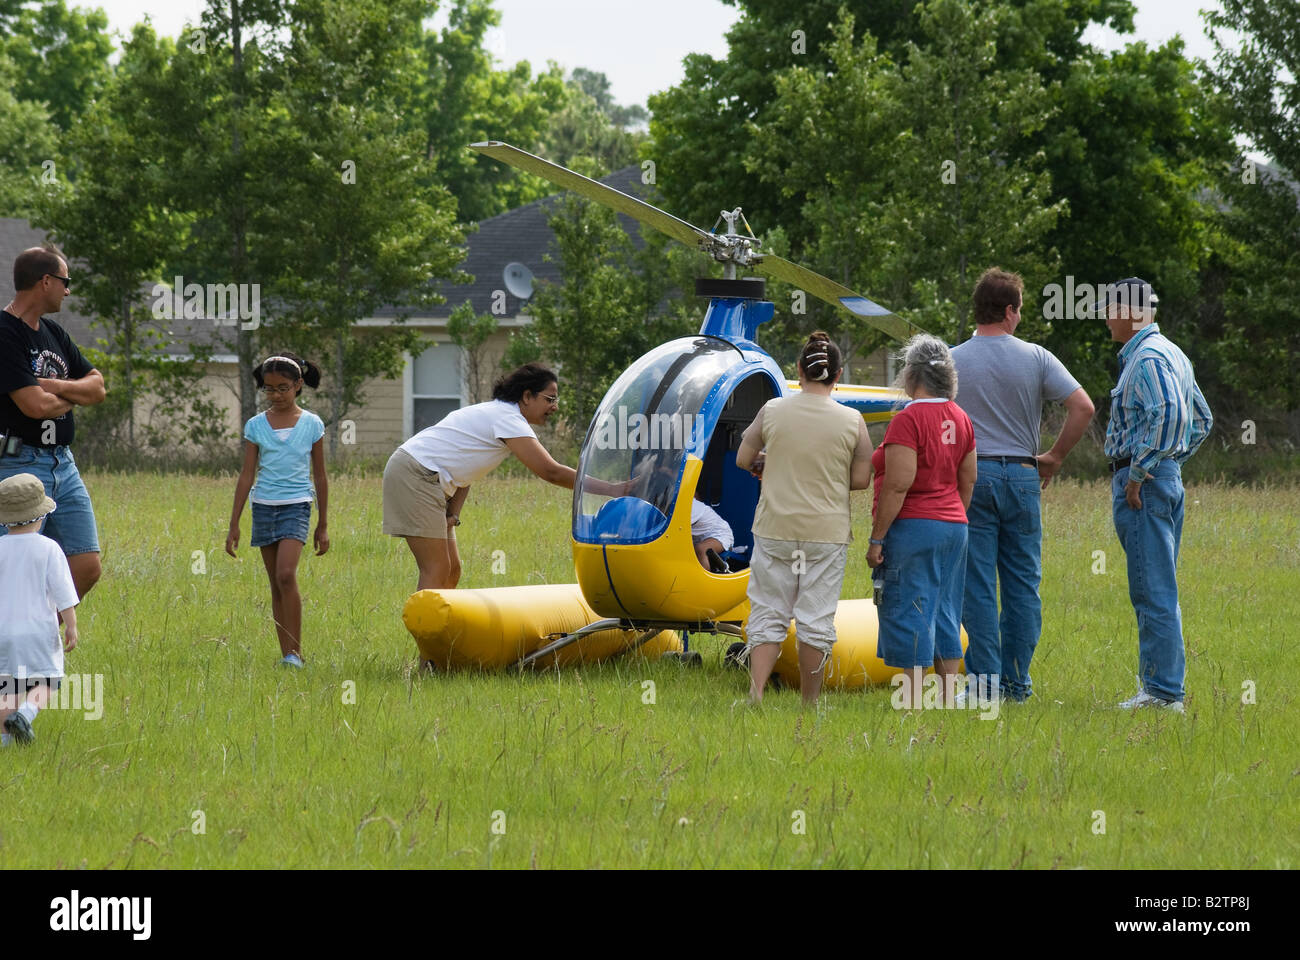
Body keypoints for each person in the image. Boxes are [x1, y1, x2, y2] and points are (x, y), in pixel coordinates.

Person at [950, 268, 1095, 704]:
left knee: (976, 583)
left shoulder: (951, 361)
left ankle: (982, 687)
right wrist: (1054, 457)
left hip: (973, 476)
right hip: (1023, 475)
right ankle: (1017, 683)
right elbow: (1083, 407)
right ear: (1010, 311)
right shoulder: (1037, 357)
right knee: (1022, 585)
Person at [385, 363, 626, 593]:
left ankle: (441, 632)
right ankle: (426, 635)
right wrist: (613, 490)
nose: (555, 407)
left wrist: (453, 514)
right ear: (527, 396)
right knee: (436, 569)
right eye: (549, 399)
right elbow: (550, 472)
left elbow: (466, 470)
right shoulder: (507, 419)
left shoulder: (499, 415)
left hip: (427, 478)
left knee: (452, 571)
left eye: (556, 400)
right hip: (415, 474)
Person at [736, 331, 874, 706]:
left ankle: (756, 692)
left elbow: (743, 459)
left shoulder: (772, 410)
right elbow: (861, 480)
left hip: (776, 527)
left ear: (798, 370)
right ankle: (810, 703)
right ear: (838, 374)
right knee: (815, 619)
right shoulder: (852, 421)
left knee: (768, 612)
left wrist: (771, 462)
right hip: (825, 533)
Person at [1099, 278, 1211, 714]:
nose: (1106, 317)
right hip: (1163, 479)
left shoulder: (1145, 357)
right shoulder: (1172, 352)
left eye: (1110, 308)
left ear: (1131, 311)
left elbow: (1172, 413)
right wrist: (1171, 463)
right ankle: (1160, 688)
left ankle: (1162, 694)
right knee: (1156, 585)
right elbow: (1201, 419)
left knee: (1152, 589)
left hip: (1142, 485)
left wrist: (1142, 472)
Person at [866, 334, 977, 709]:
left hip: (913, 527)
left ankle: (911, 703)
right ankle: (946, 700)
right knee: (945, 610)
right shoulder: (962, 419)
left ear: (910, 374)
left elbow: (898, 485)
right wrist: (952, 518)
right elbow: (969, 481)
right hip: (954, 527)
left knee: (909, 608)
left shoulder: (908, 419)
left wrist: (877, 538)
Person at [0, 246, 106, 600]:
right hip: (18, 464)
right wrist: (72, 394)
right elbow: (34, 405)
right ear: (45, 281)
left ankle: (34, 632)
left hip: (64, 464)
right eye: (65, 281)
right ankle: (12, 644)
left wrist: (55, 385)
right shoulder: (4, 333)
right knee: (12, 570)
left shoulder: (53, 333)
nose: (68, 290)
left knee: (86, 565)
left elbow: (98, 387)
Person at [225, 353, 329, 668]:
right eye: (269, 390)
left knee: (286, 575)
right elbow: (246, 476)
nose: (276, 395)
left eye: (283, 388)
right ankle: (287, 655)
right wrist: (233, 524)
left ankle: (296, 653)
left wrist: (322, 524)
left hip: (297, 506)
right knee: (275, 583)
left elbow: (321, 476)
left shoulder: (312, 424)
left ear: (298, 385)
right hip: (263, 507)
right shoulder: (256, 426)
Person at [0, 473, 79, 745]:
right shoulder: (49, 549)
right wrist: (71, 625)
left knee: (6, 685)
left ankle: (6, 744)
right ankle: (26, 713)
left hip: (2, 632)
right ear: (40, 515)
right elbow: (64, 592)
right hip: (37, 631)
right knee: (49, 678)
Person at [691, 498, 734, 571]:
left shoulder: (691, 507)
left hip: (720, 535)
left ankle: (702, 581)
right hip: (699, 537)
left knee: (701, 548)